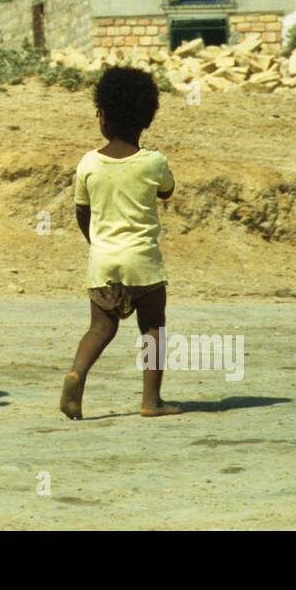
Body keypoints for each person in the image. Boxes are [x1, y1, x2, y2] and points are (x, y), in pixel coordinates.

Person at [61, 66, 181, 419]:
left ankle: (76, 373)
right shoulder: (154, 162)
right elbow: (168, 191)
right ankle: (151, 401)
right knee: (153, 328)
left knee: (100, 328)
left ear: (102, 116)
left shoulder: (88, 163)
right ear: (147, 118)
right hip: (143, 263)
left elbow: (82, 211)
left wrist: (95, 243)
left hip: (102, 261)